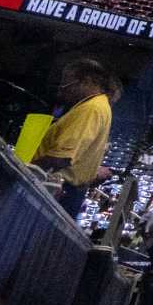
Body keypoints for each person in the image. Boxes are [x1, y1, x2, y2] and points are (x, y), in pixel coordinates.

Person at [31, 58, 118, 216]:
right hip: (67, 191)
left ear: (86, 81)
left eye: (66, 83)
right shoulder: (97, 105)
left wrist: (27, 171)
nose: (62, 90)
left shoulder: (91, 109)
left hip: (57, 190)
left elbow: (60, 158)